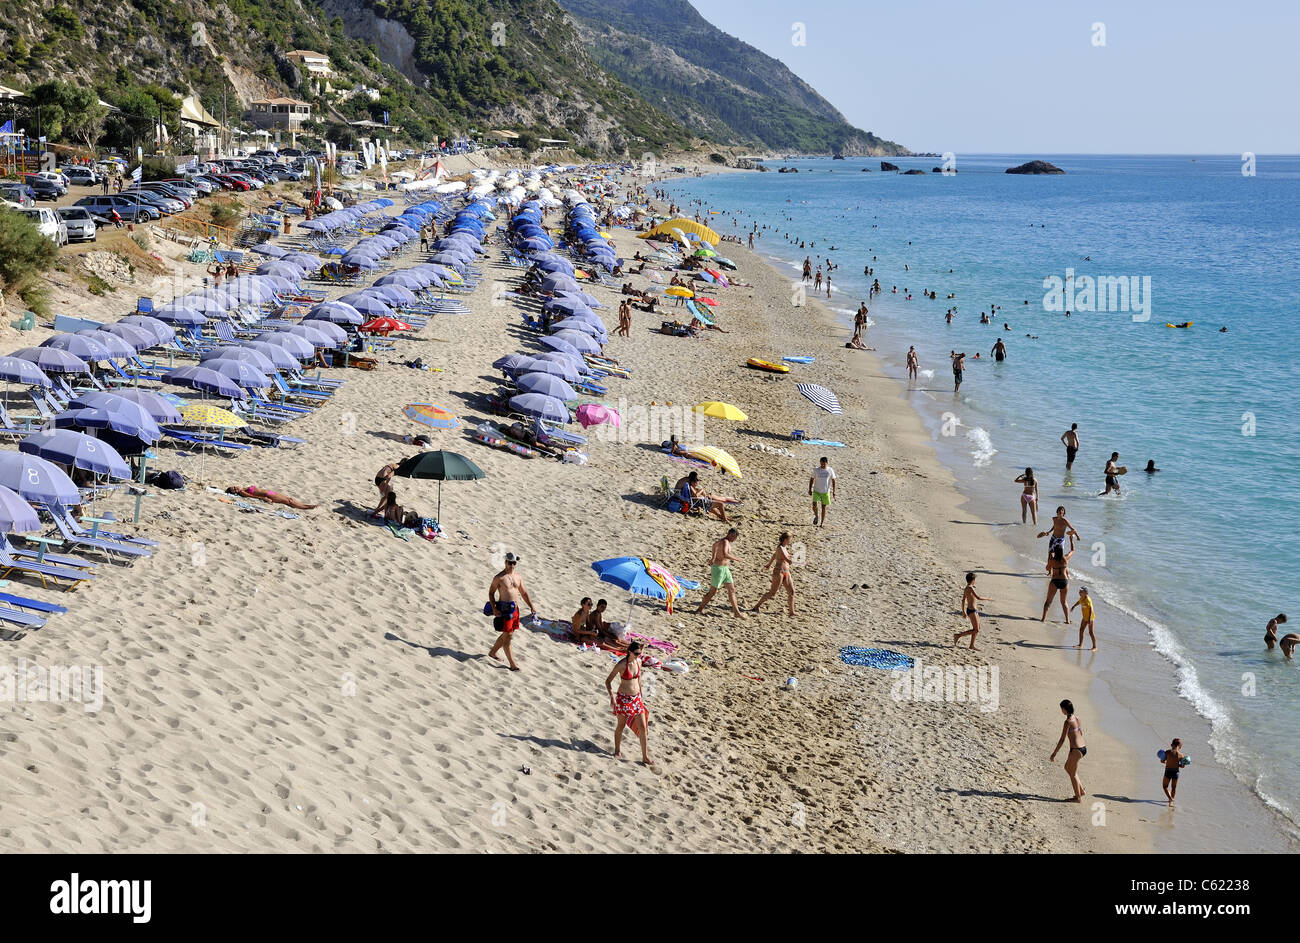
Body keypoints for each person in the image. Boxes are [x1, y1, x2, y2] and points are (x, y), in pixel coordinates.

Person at [605, 641, 652, 764]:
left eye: (640, 653)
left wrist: (640, 695)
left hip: (636, 698)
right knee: (621, 725)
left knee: (643, 727)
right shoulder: (622, 665)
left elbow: (639, 679)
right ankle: (617, 750)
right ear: (629, 652)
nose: (638, 656)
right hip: (623, 698)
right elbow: (608, 681)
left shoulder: (639, 661)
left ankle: (645, 756)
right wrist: (612, 697)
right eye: (636, 653)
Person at [488, 552, 535, 671]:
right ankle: (513, 664)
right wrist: (494, 608)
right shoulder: (499, 577)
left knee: (507, 634)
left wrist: (531, 606)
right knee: (508, 636)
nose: (512, 565)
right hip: (504, 610)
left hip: (515, 610)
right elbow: (491, 593)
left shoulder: (518, 577)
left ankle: (493, 652)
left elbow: (523, 593)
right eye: (510, 563)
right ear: (505, 562)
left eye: (514, 563)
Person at [696, 527, 743, 618]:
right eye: (734, 537)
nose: (734, 539)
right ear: (730, 535)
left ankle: (736, 613)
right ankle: (699, 609)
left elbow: (714, 545)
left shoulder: (725, 541)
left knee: (732, 590)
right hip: (718, 569)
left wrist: (713, 557)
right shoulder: (725, 541)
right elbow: (725, 554)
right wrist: (736, 559)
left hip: (725, 569)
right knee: (712, 592)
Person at [1049, 699, 1087, 802]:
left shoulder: (1067, 722)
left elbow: (1062, 740)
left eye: (1061, 709)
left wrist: (1054, 753)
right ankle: (1081, 791)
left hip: (1077, 749)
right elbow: (1080, 733)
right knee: (1069, 768)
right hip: (1082, 748)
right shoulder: (1077, 718)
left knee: (1072, 772)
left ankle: (1078, 797)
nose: (1061, 711)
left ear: (1064, 709)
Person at [751, 532, 796, 616]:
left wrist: (769, 564)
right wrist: (791, 560)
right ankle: (757, 606)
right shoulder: (780, 548)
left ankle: (792, 612)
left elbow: (774, 555)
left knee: (791, 592)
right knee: (772, 592)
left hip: (786, 572)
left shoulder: (785, 548)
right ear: (785, 539)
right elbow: (786, 558)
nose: (790, 541)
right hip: (779, 571)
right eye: (789, 539)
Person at [1041, 536, 1075, 623]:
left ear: (1055, 552)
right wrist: (1071, 540)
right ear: (1062, 551)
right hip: (1064, 581)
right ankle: (1067, 620)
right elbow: (1072, 550)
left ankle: (1043, 619)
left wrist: (1050, 558)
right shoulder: (1065, 559)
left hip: (1055, 581)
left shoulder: (1052, 560)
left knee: (1048, 601)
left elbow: (1047, 568)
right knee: (1063, 602)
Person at [953, 571, 990, 649]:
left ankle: (971, 645)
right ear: (973, 580)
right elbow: (978, 597)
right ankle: (958, 635)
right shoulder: (970, 588)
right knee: (976, 630)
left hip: (973, 610)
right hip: (972, 611)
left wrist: (963, 611)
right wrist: (988, 598)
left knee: (976, 629)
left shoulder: (966, 588)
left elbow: (963, 600)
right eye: (974, 579)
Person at [225, 485, 317, 509]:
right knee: (288, 502)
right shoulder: (242, 492)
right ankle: (307, 507)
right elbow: (253, 496)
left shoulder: (244, 488)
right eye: (234, 490)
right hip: (268, 495)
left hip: (270, 492)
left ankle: (306, 505)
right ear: (235, 493)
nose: (235, 488)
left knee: (289, 499)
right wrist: (263, 498)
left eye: (234, 487)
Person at [809, 456, 837, 527]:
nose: (822, 465)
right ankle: (816, 516)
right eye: (821, 464)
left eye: (824, 464)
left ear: (827, 463)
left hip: (825, 492)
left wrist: (834, 491)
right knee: (814, 505)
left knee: (823, 507)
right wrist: (810, 489)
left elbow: (833, 481)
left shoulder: (830, 470)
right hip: (816, 491)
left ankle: (822, 523)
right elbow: (812, 479)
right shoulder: (816, 470)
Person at [1161, 738, 1185, 806]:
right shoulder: (1181, 755)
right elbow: (1182, 766)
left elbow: (1162, 761)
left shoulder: (1168, 752)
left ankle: (1170, 798)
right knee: (1173, 788)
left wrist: (1166, 761)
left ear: (1172, 744)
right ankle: (1171, 801)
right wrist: (1177, 764)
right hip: (1176, 772)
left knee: (1165, 786)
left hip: (1168, 771)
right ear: (1180, 746)